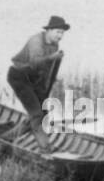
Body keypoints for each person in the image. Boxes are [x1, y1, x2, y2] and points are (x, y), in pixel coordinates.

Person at [7, 15, 69, 154]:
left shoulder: (54, 45)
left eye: (62, 33)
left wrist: (47, 84)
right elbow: (35, 62)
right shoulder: (36, 41)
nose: (60, 36)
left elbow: (45, 69)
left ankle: (8, 138)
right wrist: (53, 57)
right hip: (19, 77)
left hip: (33, 79)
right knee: (36, 114)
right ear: (49, 30)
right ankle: (45, 149)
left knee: (43, 112)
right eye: (58, 32)